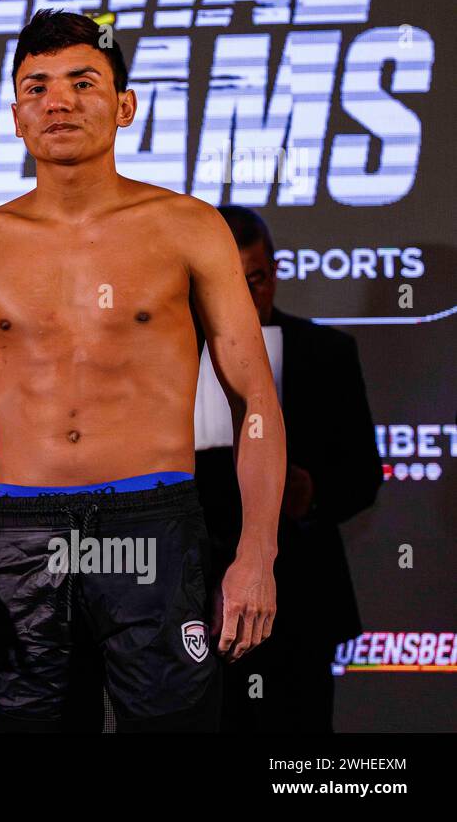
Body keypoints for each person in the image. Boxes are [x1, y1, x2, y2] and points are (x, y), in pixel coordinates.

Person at [0, 9, 285, 732]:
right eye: (37, 86)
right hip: (23, 533)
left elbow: (255, 400)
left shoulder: (188, 227)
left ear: (125, 104)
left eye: (83, 81)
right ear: (16, 115)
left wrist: (256, 552)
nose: (59, 100)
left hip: (152, 522)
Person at [197, 206, 381, 732]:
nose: (245, 296)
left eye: (255, 280)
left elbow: (363, 476)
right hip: (193, 597)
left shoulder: (326, 353)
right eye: (228, 282)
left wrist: (313, 493)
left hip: (298, 596)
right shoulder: (169, 358)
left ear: (274, 272)